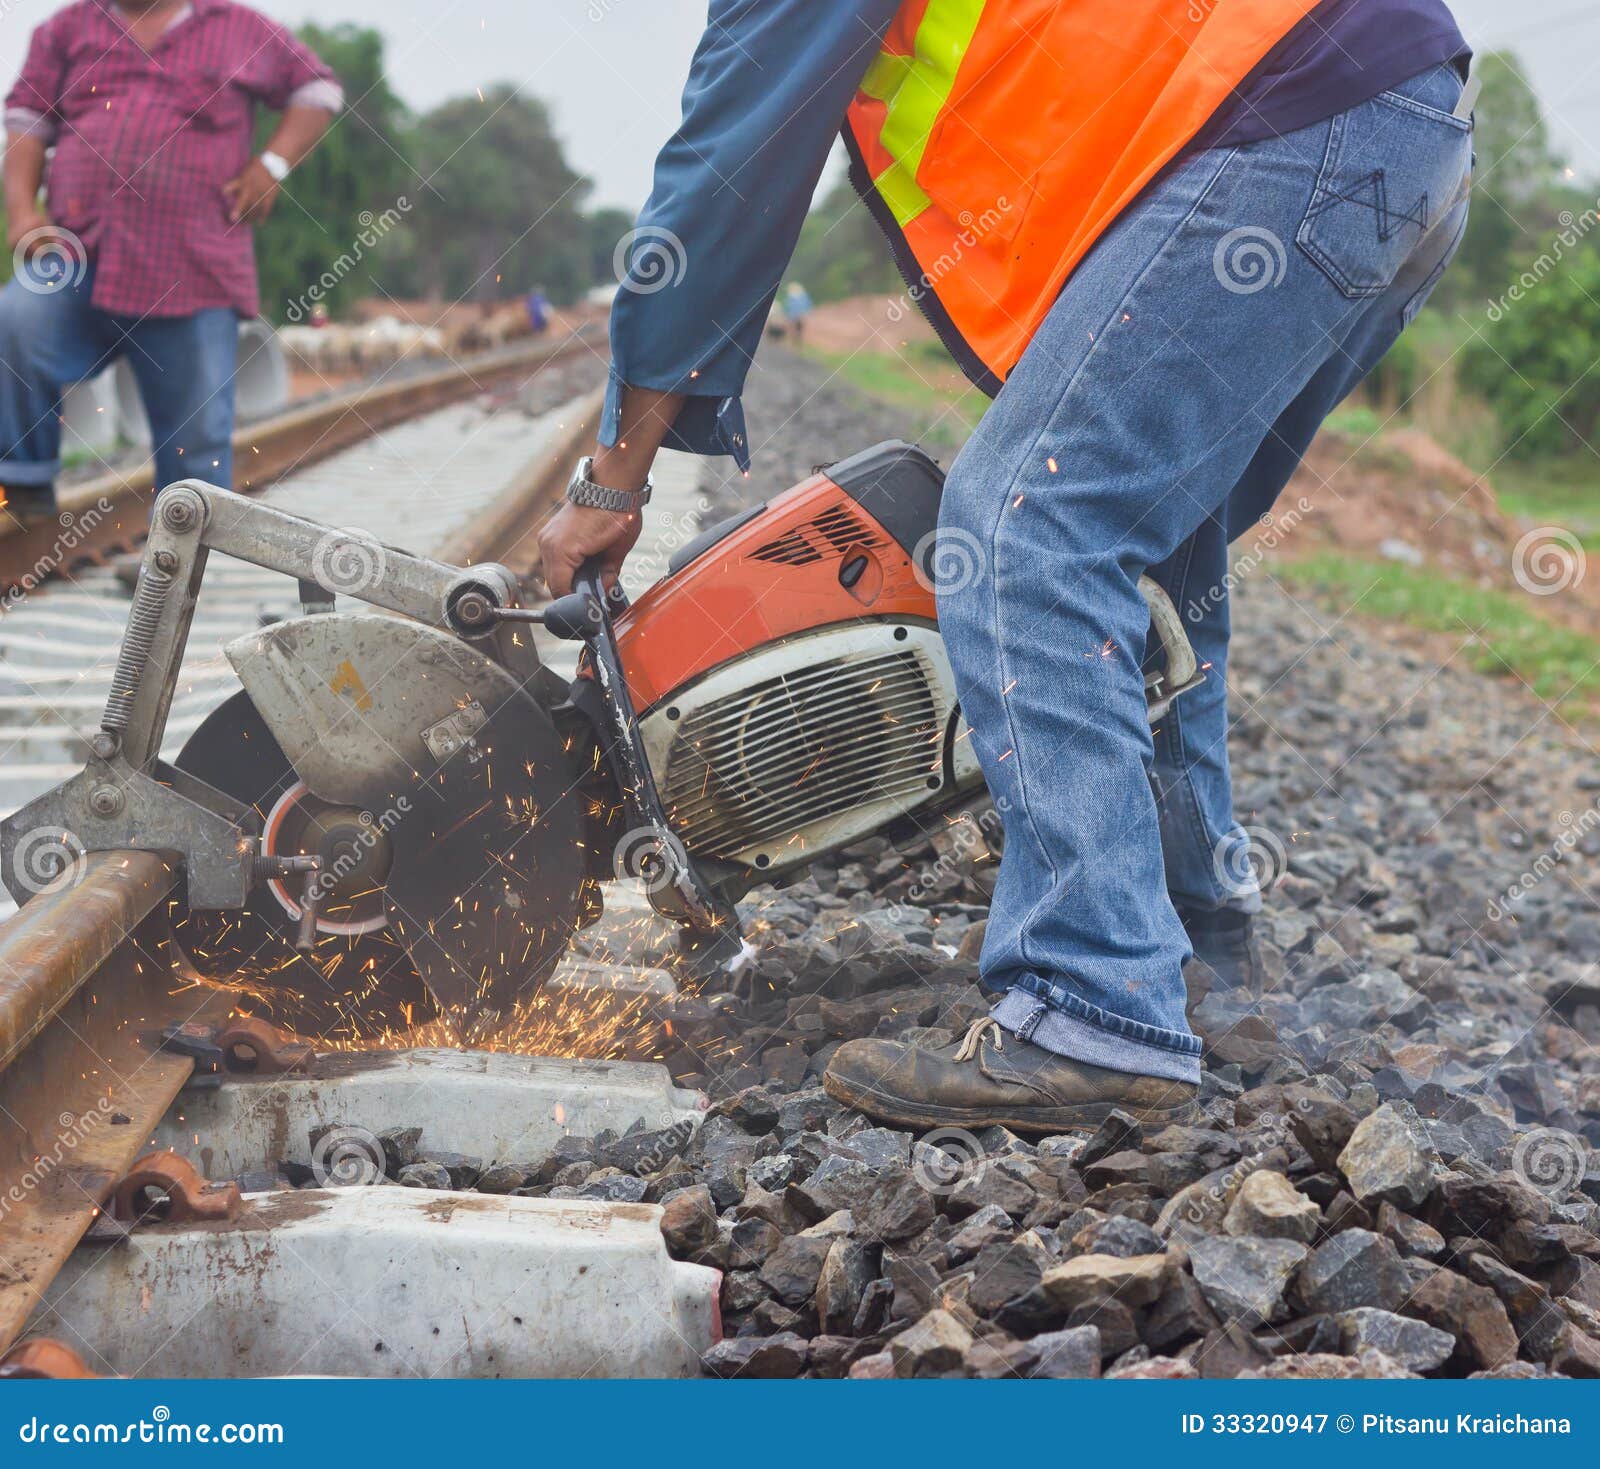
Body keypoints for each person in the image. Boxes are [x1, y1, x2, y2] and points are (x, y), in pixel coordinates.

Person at [539, 0, 1472, 1132]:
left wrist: (612, 479)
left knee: (1025, 522)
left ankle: (1095, 1008)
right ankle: (1193, 948)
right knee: (1154, 553)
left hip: (1287, 118)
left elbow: (730, 163)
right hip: (1387, 116)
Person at [0, 0, 343, 524]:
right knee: (18, 318)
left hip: (193, 266)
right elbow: (27, 120)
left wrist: (271, 165)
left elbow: (318, 90)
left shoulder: (235, 26)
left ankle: (180, 567)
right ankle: (24, 485)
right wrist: (23, 209)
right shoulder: (68, 29)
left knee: (194, 446)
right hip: (80, 250)